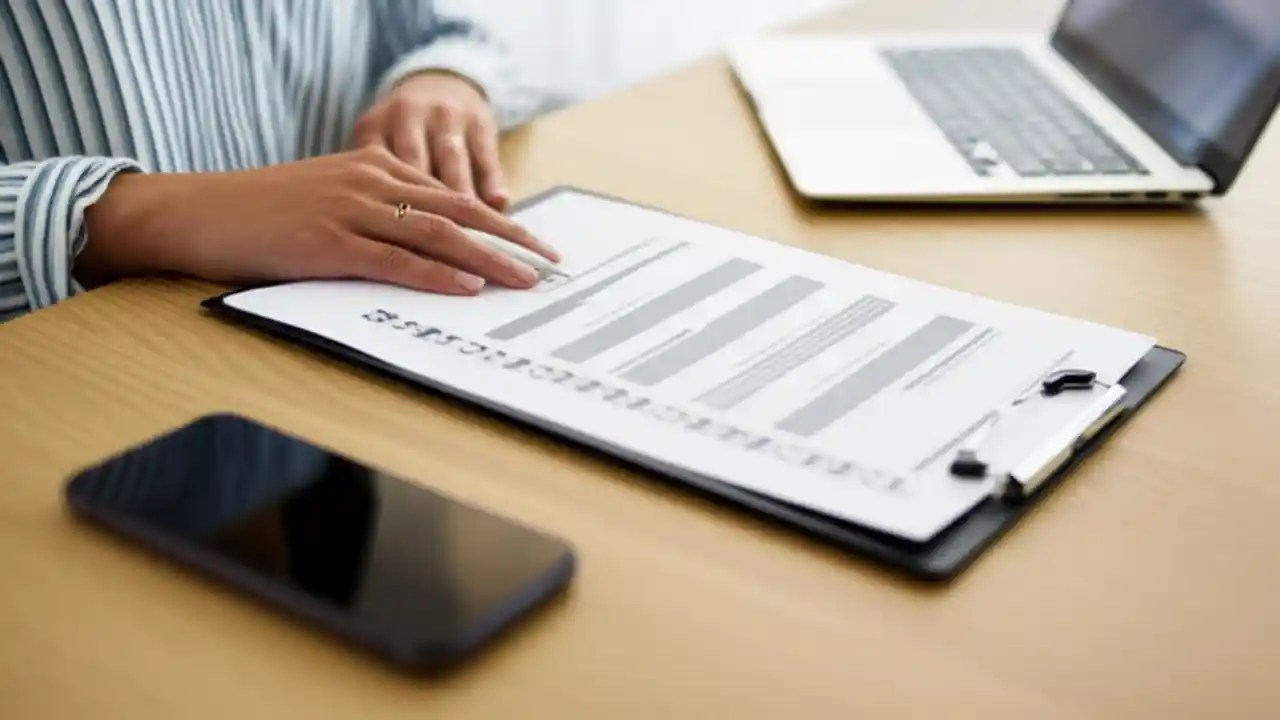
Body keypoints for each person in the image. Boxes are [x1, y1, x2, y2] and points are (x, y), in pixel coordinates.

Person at [0, 0, 559, 323]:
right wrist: (131, 216)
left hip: (336, 344)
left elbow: (449, 27)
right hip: (88, 372)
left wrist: (446, 75)